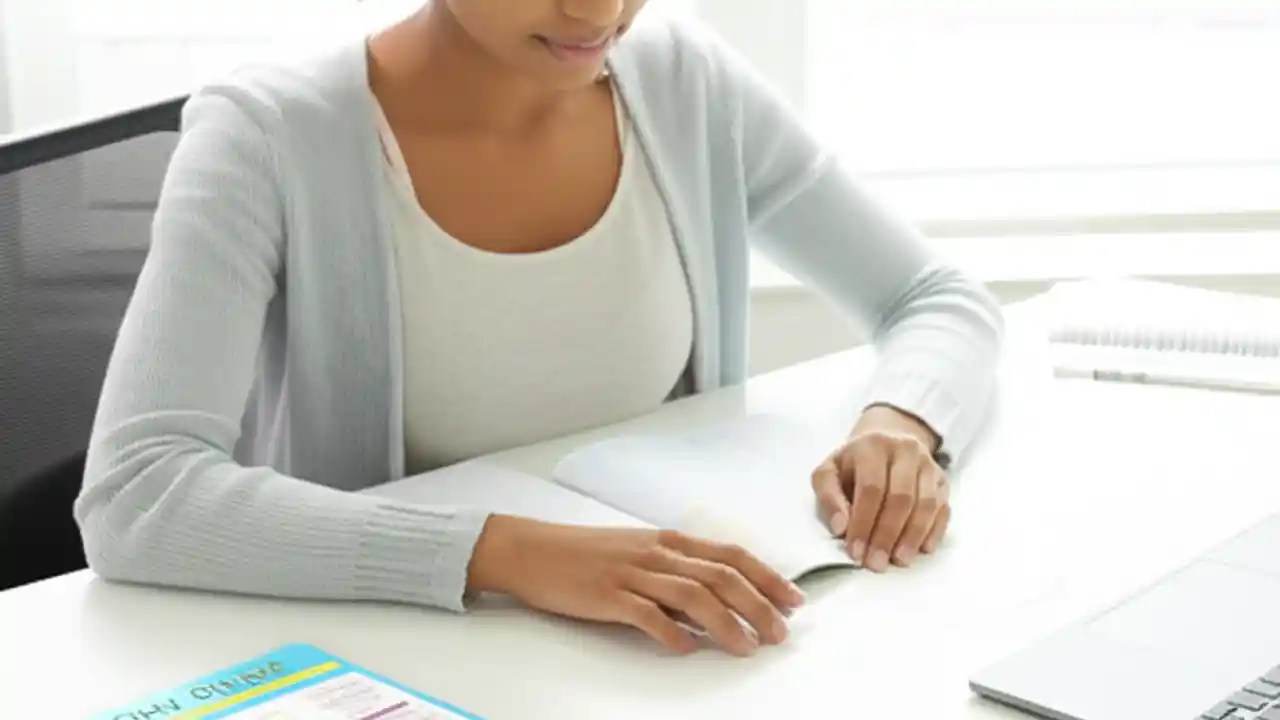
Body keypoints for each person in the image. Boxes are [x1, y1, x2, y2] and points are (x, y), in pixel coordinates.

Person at [75, 0, 1003, 658]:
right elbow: (137, 494)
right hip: (410, 661)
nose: (598, 8)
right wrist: (508, 554)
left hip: (663, 662)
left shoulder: (688, 86)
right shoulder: (269, 137)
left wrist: (901, 421)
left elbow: (932, 293)